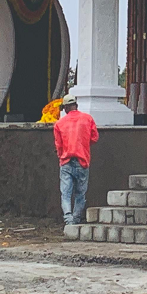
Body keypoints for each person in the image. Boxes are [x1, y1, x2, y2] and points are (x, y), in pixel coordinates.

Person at [53, 93, 98, 226]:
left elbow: (58, 145)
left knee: (65, 193)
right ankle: (77, 219)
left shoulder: (59, 124)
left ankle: (68, 219)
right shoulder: (88, 119)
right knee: (80, 193)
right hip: (82, 160)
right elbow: (94, 138)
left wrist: (61, 157)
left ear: (65, 108)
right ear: (76, 106)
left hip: (66, 161)